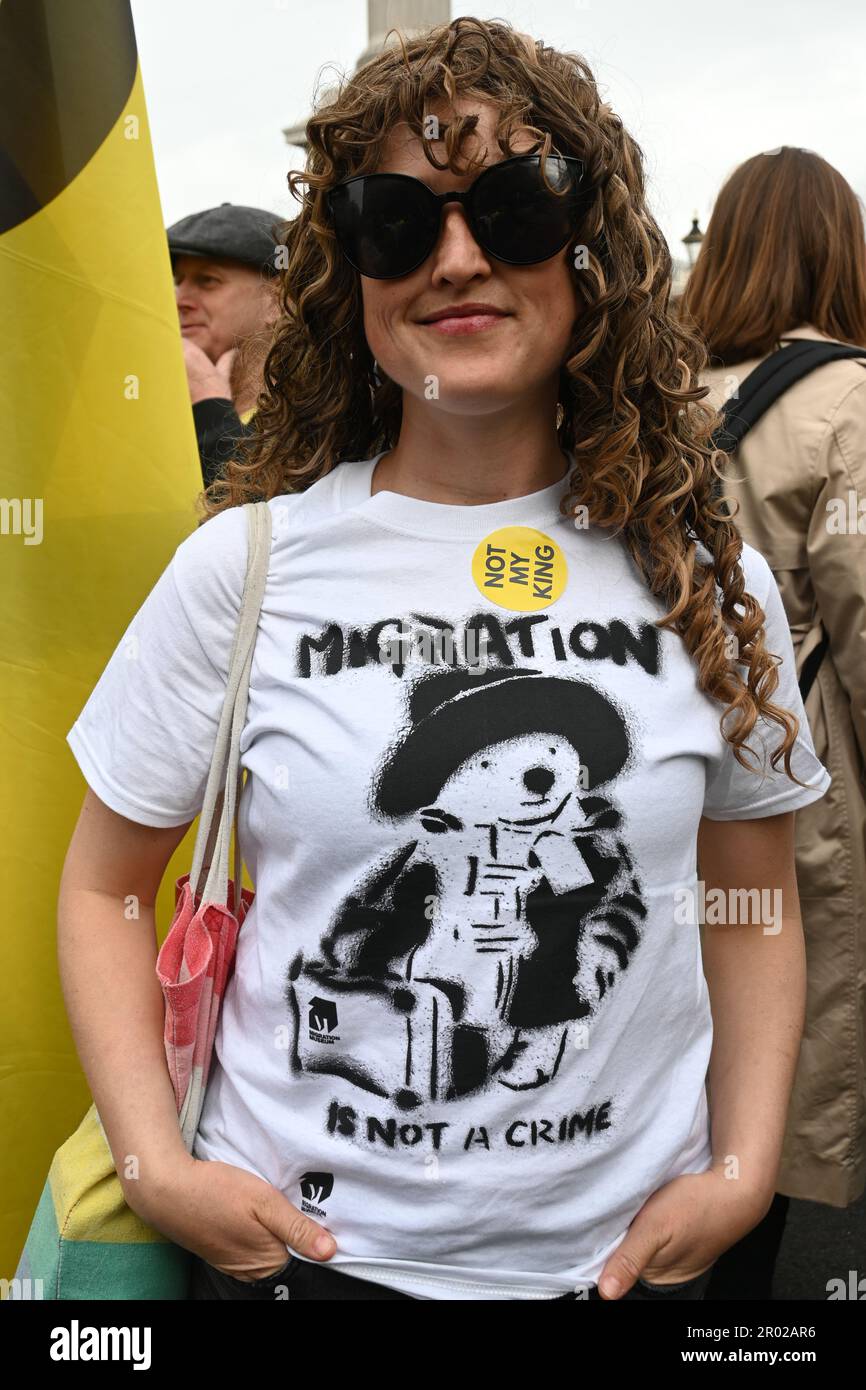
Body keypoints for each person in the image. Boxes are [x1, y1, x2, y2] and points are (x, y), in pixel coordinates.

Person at [59, 18, 831, 1302]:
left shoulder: (705, 576)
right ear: (346, 270)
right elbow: (103, 891)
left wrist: (741, 1166)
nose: (458, 259)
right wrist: (156, 1166)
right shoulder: (243, 570)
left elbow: (749, 904)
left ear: (594, 248)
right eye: (395, 222)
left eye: (517, 207)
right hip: (303, 1261)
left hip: (626, 1269)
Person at [681, 147, 866, 1297]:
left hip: (662, 792)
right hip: (801, 807)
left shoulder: (652, 404)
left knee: (694, 1078)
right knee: (790, 1079)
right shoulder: (849, 401)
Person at [168, 202, 284, 487]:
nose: (178, 300)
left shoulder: (321, 422)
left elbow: (256, 519)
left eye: (207, 280)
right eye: (177, 282)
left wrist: (210, 404)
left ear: (277, 300)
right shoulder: (158, 412)